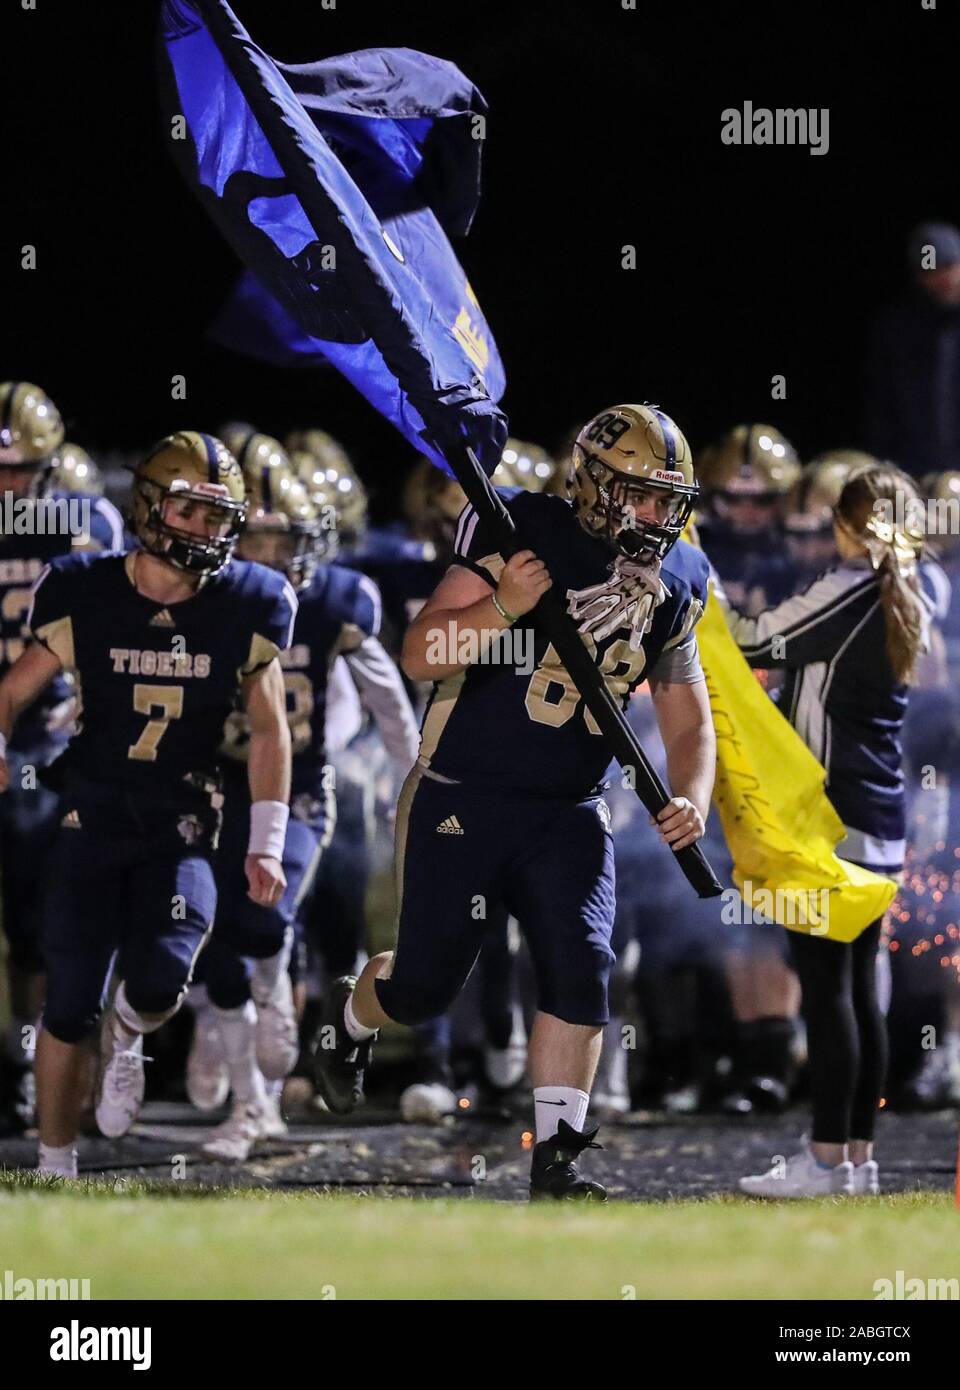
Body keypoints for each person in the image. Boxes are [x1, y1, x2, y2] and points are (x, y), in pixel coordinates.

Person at [313, 402, 715, 1200]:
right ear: (594, 483)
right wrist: (502, 607)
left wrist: (693, 796)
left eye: (669, 501)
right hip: (465, 793)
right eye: (641, 495)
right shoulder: (521, 526)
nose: (657, 516)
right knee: (426, 985)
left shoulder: (677, 580)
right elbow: (424, 653)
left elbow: (688, 715)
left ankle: (558, 1160)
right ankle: (350, 1019)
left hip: (570, 806)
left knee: (582, 968)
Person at [0, 430, 296, 1178]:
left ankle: (127, 1032)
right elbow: (10, 692)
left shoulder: (249, 600)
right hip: (92, 810)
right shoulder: (84, 586)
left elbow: (269, 730)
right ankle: (55, 1164)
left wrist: (265, 840)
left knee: (162, 978)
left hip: (185, 818)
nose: (206, 531)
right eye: (191, 512)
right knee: (67, 1000)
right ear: (151, 506)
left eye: (218, 517)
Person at [719, 464, 937, 1196]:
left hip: (828, 822)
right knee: (857, 991)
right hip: (881, 825)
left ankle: (822, 1158)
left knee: (826, 992)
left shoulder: (848, 590)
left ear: (849, 524)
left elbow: (751, 642)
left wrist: (698, 589)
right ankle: (856, 1161)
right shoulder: (909, 594)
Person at [0, 382, 124, 1136]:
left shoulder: (83, 523)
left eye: (20, 471)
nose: (8, 486)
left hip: (52, 743)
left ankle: (74, 1067)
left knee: (60, 923)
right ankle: (26, 1070)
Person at [863, 221, 960, 476]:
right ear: (919, 276)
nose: (943, 278)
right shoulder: (896, 330)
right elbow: (881, 409)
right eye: (933, 269)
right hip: (916, 473)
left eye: (949, 266)